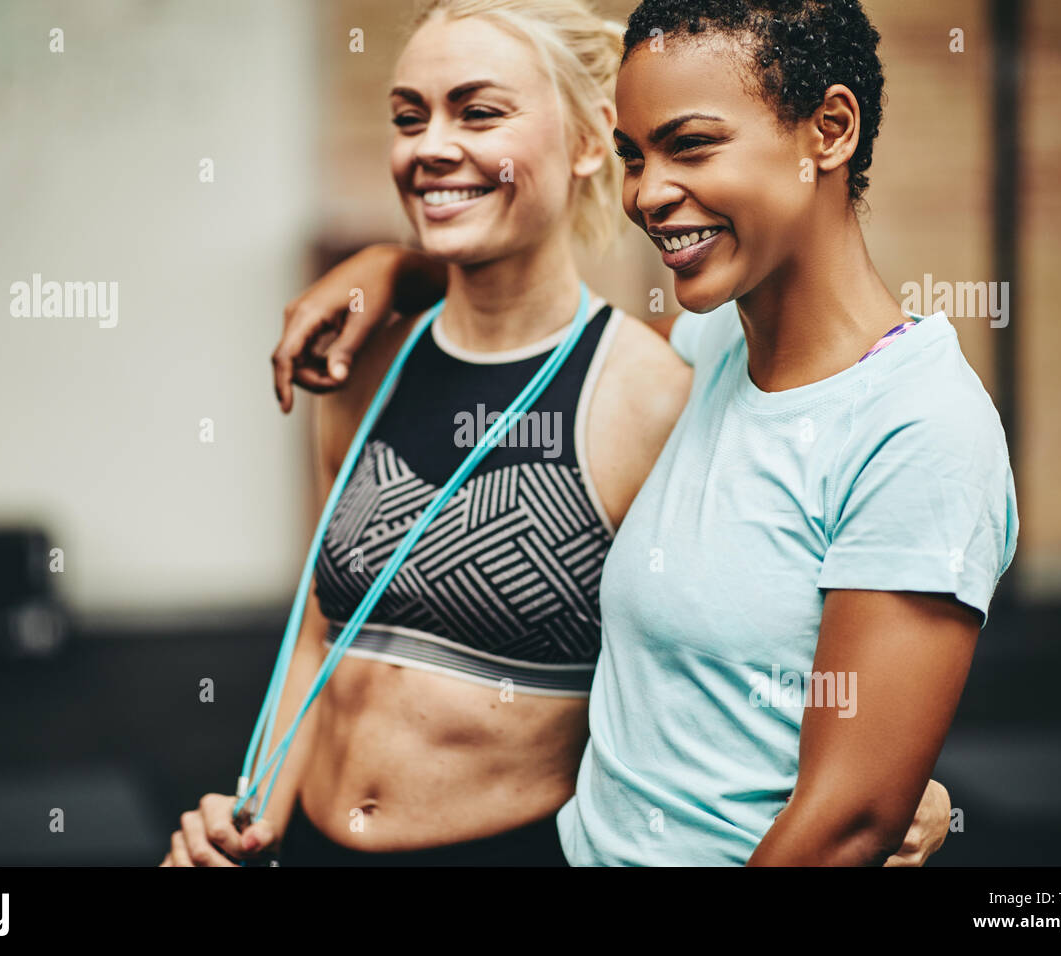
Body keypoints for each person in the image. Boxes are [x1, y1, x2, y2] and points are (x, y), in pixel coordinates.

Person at [166, 0, 956, 867]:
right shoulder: (360, 359)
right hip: (307, 844)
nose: (431, 142)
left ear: (588, 143)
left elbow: (741, 635)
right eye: (408, 116)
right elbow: (324, 624)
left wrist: (898, 783)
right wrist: (252, 816)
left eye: (478, 111)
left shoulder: (658, 392)